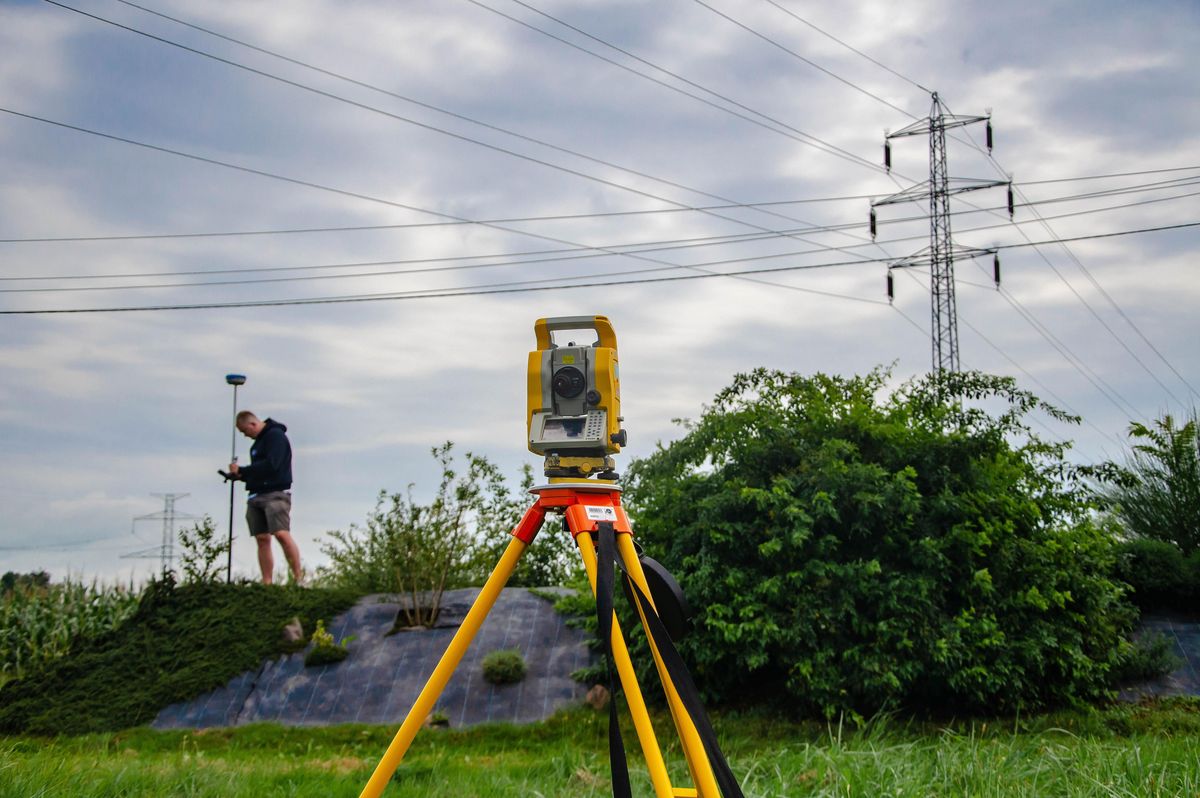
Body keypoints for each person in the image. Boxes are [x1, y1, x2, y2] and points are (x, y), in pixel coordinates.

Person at [228, 410, 303, 585]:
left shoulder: (275, 436)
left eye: (245, 431)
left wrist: (243, 470)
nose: (246, 435)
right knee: (262, 538)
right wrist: (241, 476)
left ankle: (298, 578)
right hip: (256, 494)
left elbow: (272, 465)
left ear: (252, 424)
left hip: (275, 494)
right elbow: (259, 472)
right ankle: (267, 582)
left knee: (281, 534)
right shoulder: (256, 446)